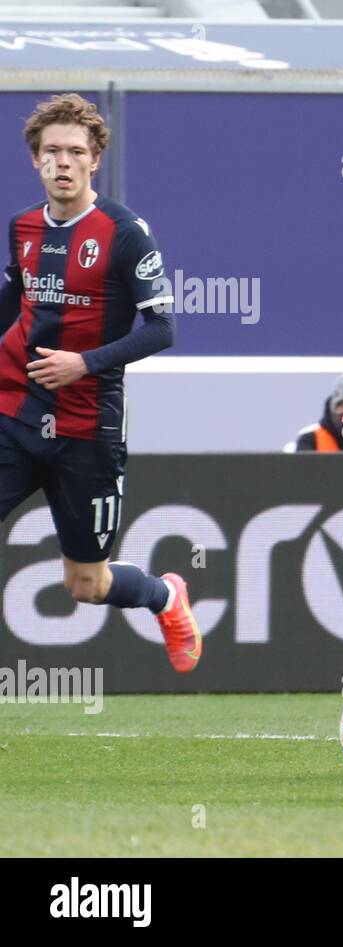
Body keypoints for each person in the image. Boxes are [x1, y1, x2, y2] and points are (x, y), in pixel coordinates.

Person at [0, 93, 201, 672]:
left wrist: (83, 364)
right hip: (14, 413)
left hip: (87, 427)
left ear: (95, 160)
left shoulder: (126, 233)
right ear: (35, 160)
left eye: (75, 152)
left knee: (85, 584)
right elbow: (14, 296)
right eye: (51, 152)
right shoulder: (22, 228)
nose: (62, 162)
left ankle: (164, 596)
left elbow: (162, 328)